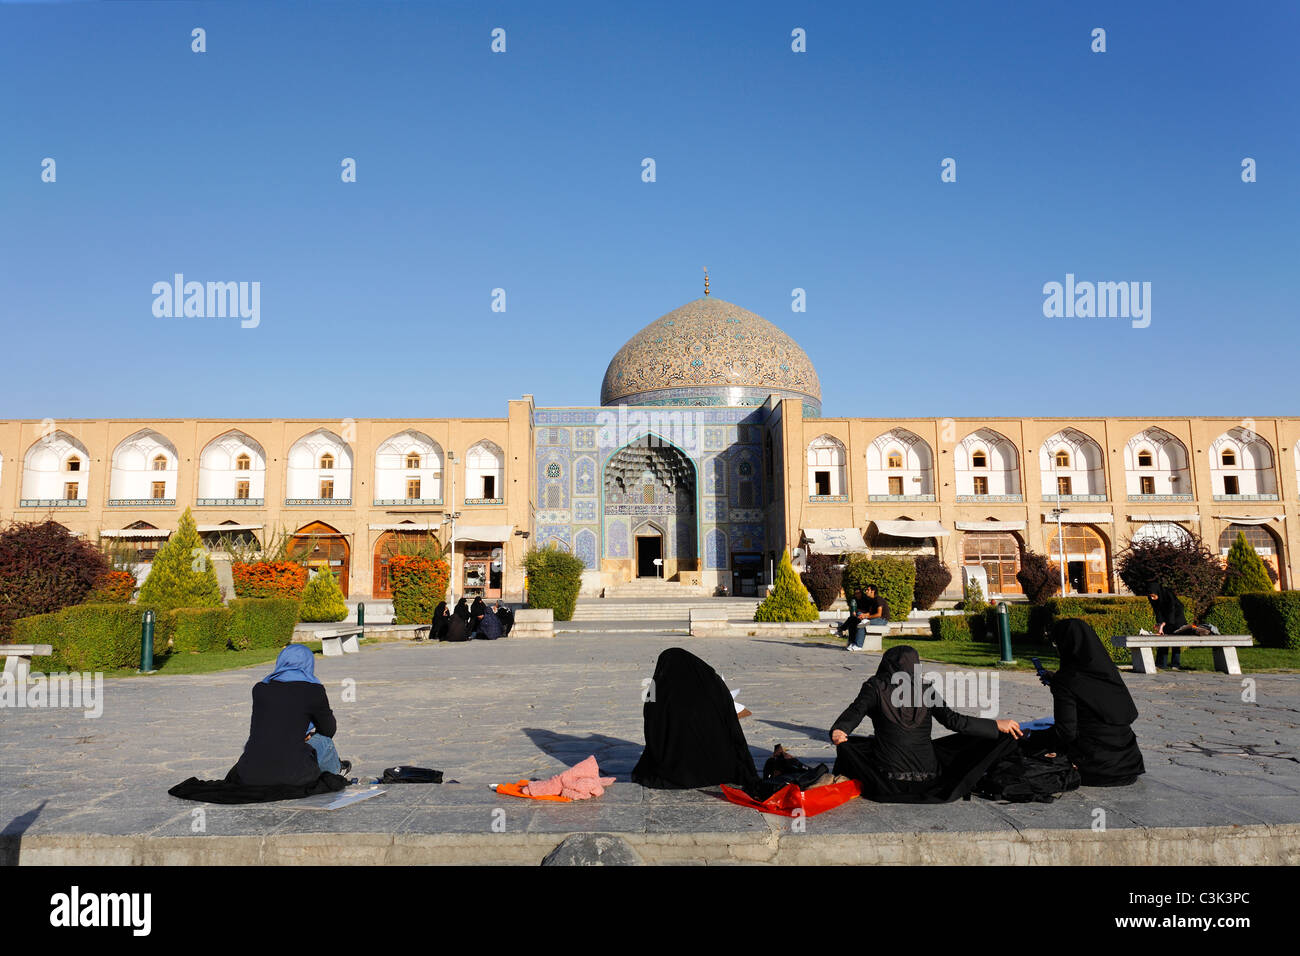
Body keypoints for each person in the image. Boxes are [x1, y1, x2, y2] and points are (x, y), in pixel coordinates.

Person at [829, 645, 1022, 802]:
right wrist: (995, 725)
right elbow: (954, 721)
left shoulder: (874, 687)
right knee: (949, 746)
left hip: (886, 778)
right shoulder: (926, 688)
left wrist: (840, 730)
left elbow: (856, 711)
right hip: (929, 775)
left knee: (853, 747)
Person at [631, 648, 763, 792]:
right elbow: (731, 724)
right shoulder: (712, 683)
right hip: (719, 767)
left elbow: (652, 731)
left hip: (674, 770)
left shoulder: (658, 692)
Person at [1037, 619, 1145, 786]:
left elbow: (1066, 732)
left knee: (1024, 743)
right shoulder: (1106, 672)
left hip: (1095, 769)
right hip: (1129, 766)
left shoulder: (1066, 680)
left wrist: (1032, 736)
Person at [232, 645, 350, 786]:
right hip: (292, 775)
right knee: (325, 742)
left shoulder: (260, 689)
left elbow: (276, 722)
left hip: (251, 772)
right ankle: (335, 772)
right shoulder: (313, 690)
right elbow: (328, 730)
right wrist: (307, 734)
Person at [1145, 581, 1187, 669]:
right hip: (1166, 619)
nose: (1152, 598)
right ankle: (1161, 664)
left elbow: (1171, 610)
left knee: (1175, 641)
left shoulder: (1168, 595)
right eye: (1150, 596)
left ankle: (1175, 664)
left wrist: (1163, 624)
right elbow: (1158, 612)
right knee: (1162, 641)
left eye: (1153, 596)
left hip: (1177, 618)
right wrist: (1159, 623)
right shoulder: (1153, 599)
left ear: (1157, 592)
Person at [847, 584, 890, 652]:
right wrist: (863, 615)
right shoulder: (872, 600)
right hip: (875, 618)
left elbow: (879, 614)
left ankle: (858, 645)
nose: (866, 591)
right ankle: (852, 642)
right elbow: (871, 613)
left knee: (862, 624)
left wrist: (866, 617)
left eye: (868, 590)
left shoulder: (878, 600)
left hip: (882, 620)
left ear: (873, 591)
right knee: (855, 620)